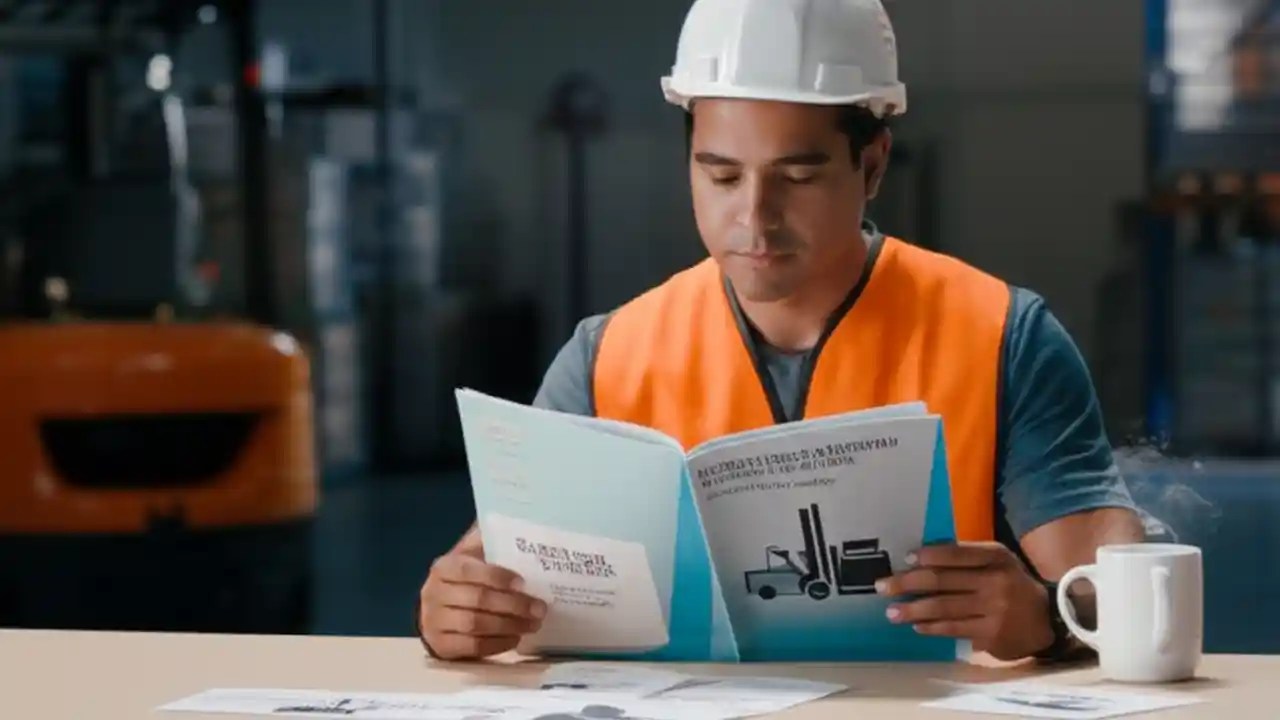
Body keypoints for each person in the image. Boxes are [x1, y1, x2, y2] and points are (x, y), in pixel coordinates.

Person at [417, 0, 1150, 663]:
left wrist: (1047, 616)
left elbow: (1122, 592)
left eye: (796, 178)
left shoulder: (1002, 338)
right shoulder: (607, 358)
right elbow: (492, 569)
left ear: (872, 163)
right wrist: (455, 609)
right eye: (722, 176)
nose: (754, 219)